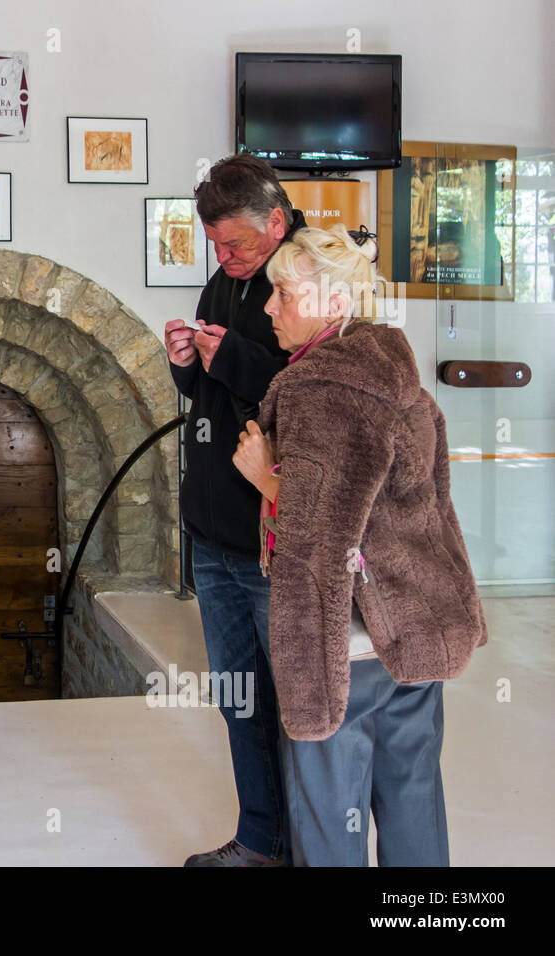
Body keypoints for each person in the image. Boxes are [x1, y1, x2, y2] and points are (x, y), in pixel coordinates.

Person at [232, 226, 486, 866]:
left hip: (343, 646)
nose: (270, 308)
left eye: (284, 293)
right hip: (414, 628)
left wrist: (264, 475)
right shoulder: (405, 383)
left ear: (333, 304)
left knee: (328, 817)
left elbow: (321, 534)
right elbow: (433, 508)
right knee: (414, 798)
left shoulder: (322, 390)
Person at [165, 154, 307, 867]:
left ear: (276, 224)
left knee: (296, 708)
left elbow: (306, 393)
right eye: (215, 246)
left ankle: (309, 847)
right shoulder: (230, 276)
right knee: (242, 702)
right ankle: (259, 843)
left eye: (235, 245)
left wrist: (230, 363)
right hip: (214, 530)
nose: (222, 260)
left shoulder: (309, 278)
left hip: (271, 536)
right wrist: (186, 363)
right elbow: (210, 398)